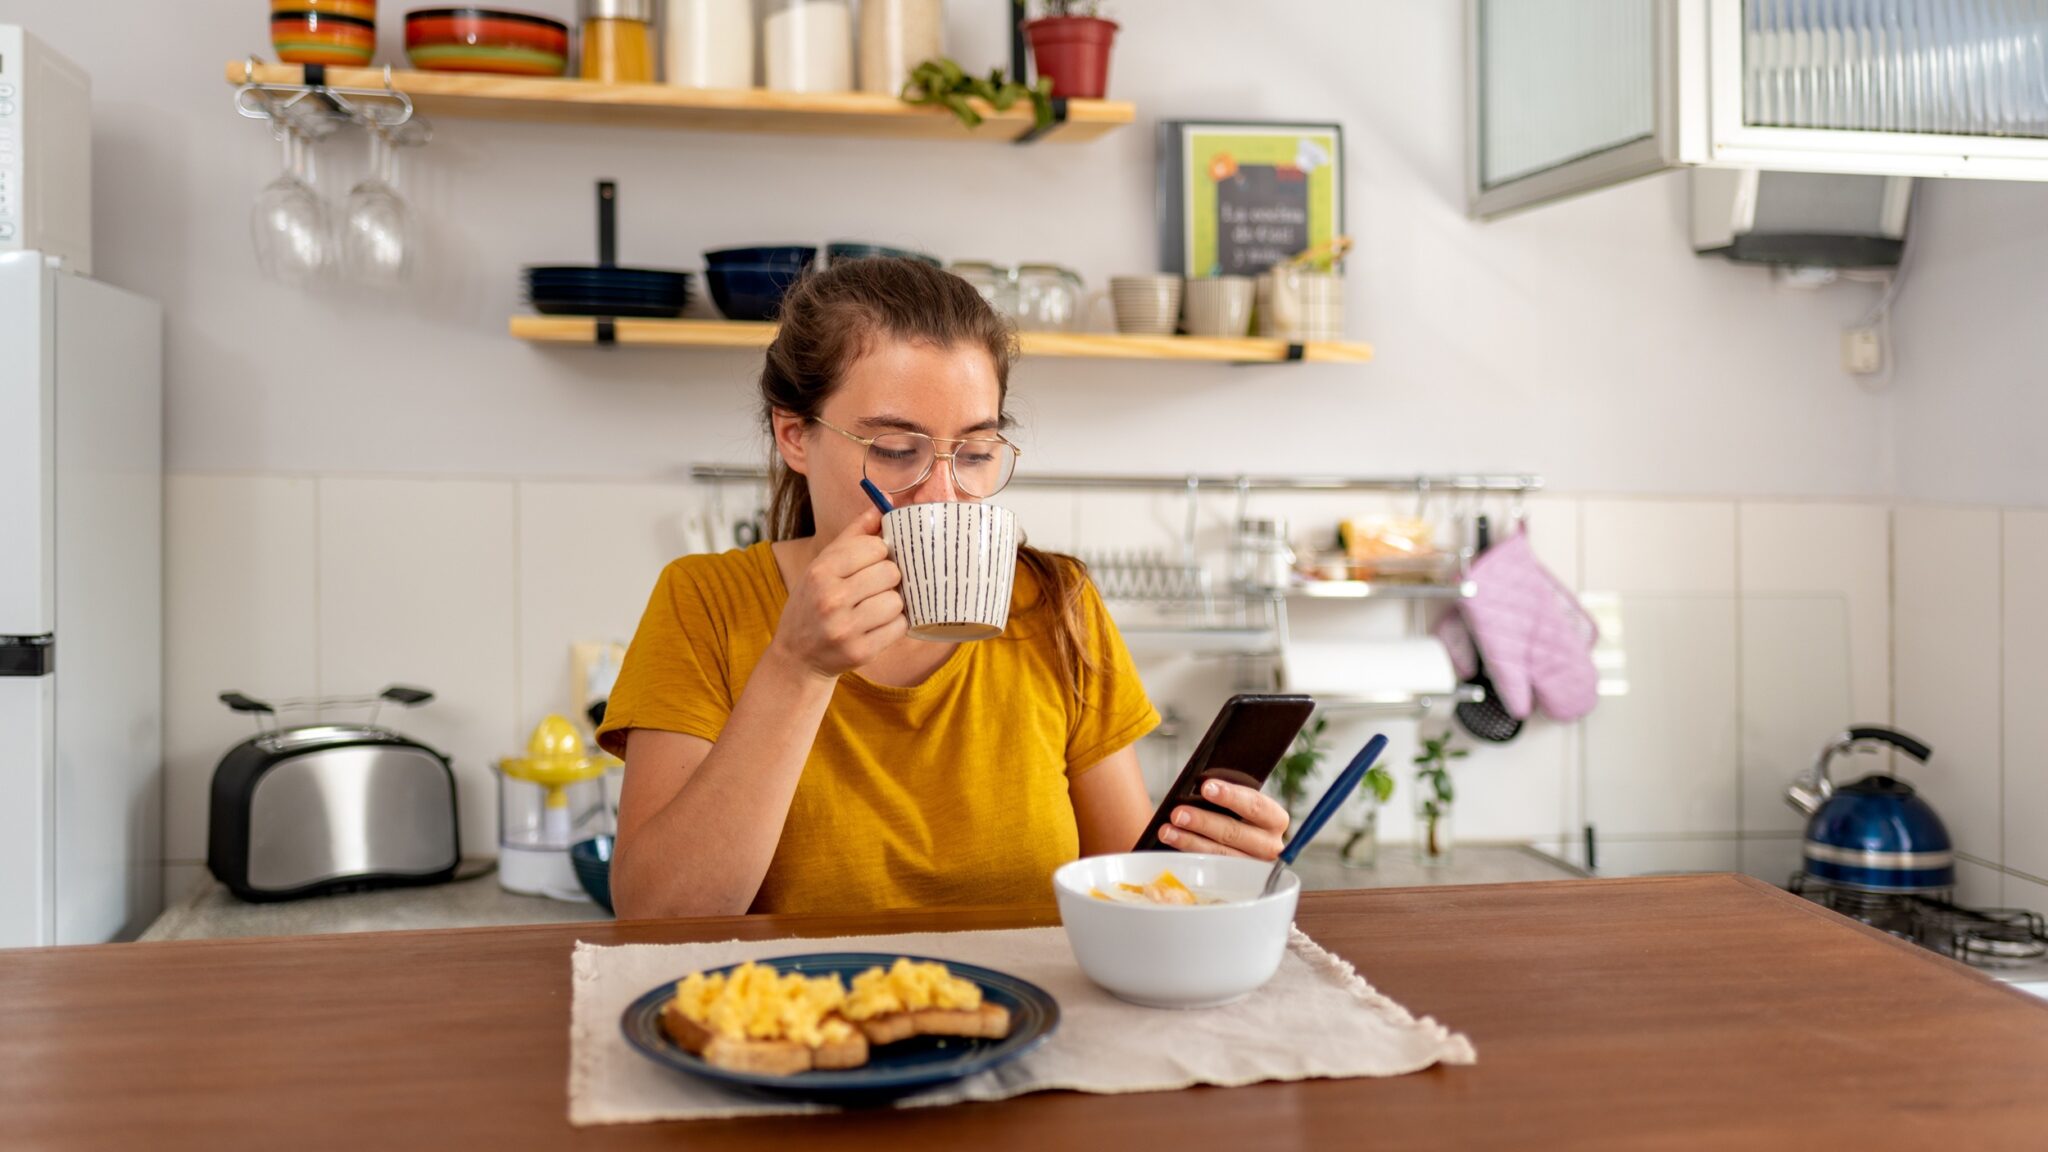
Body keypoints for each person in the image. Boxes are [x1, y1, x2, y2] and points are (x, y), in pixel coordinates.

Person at [598, 258, 1289, 919]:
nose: (943, 496)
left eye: (977, 453)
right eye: (898, 451)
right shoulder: (706, 602)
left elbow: (1134, 905)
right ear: (794, 435)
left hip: (1028, 1028)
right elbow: (658, 913)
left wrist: (1210, 870)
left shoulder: (1058, 607)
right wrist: (797, 667)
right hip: (799, 1031)